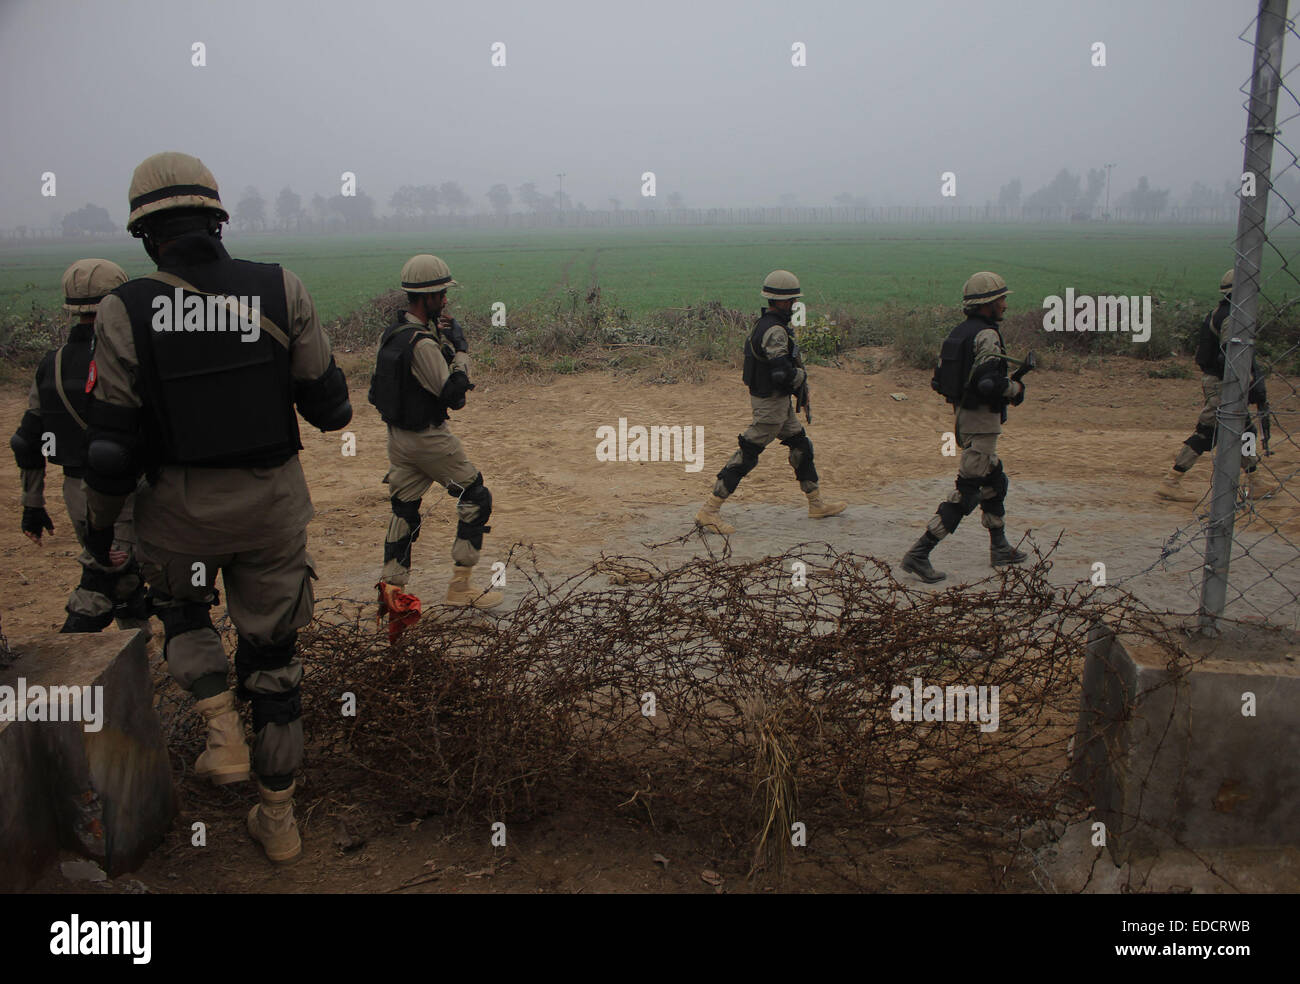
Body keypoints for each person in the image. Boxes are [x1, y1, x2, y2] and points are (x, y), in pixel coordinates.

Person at [82, 152, 352, 863]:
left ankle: (220, 733)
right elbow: (330, 410)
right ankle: (279, 818)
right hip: (270, 509)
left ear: (146, 236)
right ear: (218, 218)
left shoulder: (123, 308)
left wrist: (100, 526)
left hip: (177, 515)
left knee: (185, 613)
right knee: (275, 660)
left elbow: (111, 449)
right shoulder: (279, 287)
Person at [10, 259, 148, 632]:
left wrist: (32, 504)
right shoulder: (130, 357)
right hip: (126, 488)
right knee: (104, 575)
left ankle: (134, 651)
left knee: (124, 577)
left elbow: (26, 441)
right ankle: (71, 660)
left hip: (75, 489)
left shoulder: (51, 363)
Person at [370, 254, 502, 618]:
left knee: (404, 512)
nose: (445, 300)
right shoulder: (423, 344)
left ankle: (393, 592)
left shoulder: (395, 334)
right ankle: (460, 587)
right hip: (429, 439)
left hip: (397, 438)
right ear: (425, 297)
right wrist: (460, 349)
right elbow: (453, 395)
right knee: (475, 496)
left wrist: (442, 339)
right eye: (441, 294)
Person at [901, 271, 1029, 583]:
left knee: (995, 481)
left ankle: (999, 547)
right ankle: (920, 553)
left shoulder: (959, 333)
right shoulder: (987, 336)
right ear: (987, 303)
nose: (1004, 305)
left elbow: (939, 381)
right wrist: (1014, 390)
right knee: (967, 493)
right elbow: (987, 382)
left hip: (964, 418)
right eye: (1001, 299)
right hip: (982, 422)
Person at [695, 269, 846, 534]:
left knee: (801, 445)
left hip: (778, 404)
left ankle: (816, 504)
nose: (796, 305)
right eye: (793, 301)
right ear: (784, 301)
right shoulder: (775, 330)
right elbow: (780, 373)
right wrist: (800, 377)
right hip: (771, 406)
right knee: (747, 455)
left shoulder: (766, 323)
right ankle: (709, 510)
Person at [1157, 268, 1260, 502]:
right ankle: (1171, 480)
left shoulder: (1218, 313)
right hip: (1224, 383)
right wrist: (1248, 378)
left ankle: (1256, 478)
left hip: (1222, 382)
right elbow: (1229, 355)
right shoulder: (1232, 317)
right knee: (1207, 433)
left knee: (1244, 429)